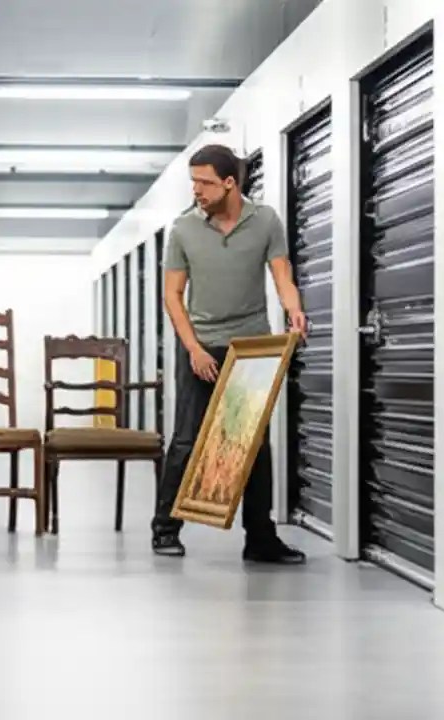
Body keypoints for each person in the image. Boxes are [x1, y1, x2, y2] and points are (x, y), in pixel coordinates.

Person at [151, 143, 308, 563]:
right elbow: (173, 296)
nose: (196, 190)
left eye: (203, 182)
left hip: (252, 347)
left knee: (253, 444)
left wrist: (294, 309)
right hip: (202, 347)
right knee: (187, 439)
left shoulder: (266, 222)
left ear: (229, 182)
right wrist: (193, 349)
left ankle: (260, 539)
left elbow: (282, 275)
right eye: (193, 182)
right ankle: (165, 529)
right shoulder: (183, 229)